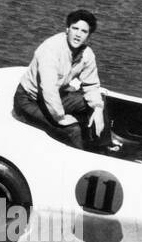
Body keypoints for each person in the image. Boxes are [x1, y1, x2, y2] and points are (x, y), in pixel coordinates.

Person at [13, 10, 110, 151]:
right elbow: (48, 89)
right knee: (72, 129)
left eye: (83, 31)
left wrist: (98, 109)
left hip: (55, 97)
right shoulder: (51, 50)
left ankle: (103, 148)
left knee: (99, 102)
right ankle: (82, 162)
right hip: (29, 101)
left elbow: (91, 85)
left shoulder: (87, 54)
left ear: (88, 36)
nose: (78, 34)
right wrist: (60, 118)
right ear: (67, 29)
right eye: (75, 28)